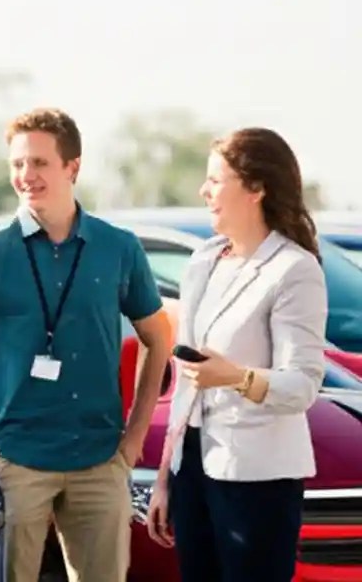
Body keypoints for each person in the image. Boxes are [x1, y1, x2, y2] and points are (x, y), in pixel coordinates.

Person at [0, 107, 174, 582]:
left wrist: (135, 435)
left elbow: (159, 338)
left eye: (38, 163)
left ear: (72, 167)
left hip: (100, 459)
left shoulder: (118, 248)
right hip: (18, 461)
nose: (25, 176)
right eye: (17, 165)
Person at [145, 127, 326, 582]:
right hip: (194, 470)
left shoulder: (294, 269)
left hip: (258, 481)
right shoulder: (204, 259)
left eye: (215, 180)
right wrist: (166, 478)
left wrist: (235, 377)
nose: (203, 191)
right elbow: (187, 380)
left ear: (256, 189)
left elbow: (302, 384)